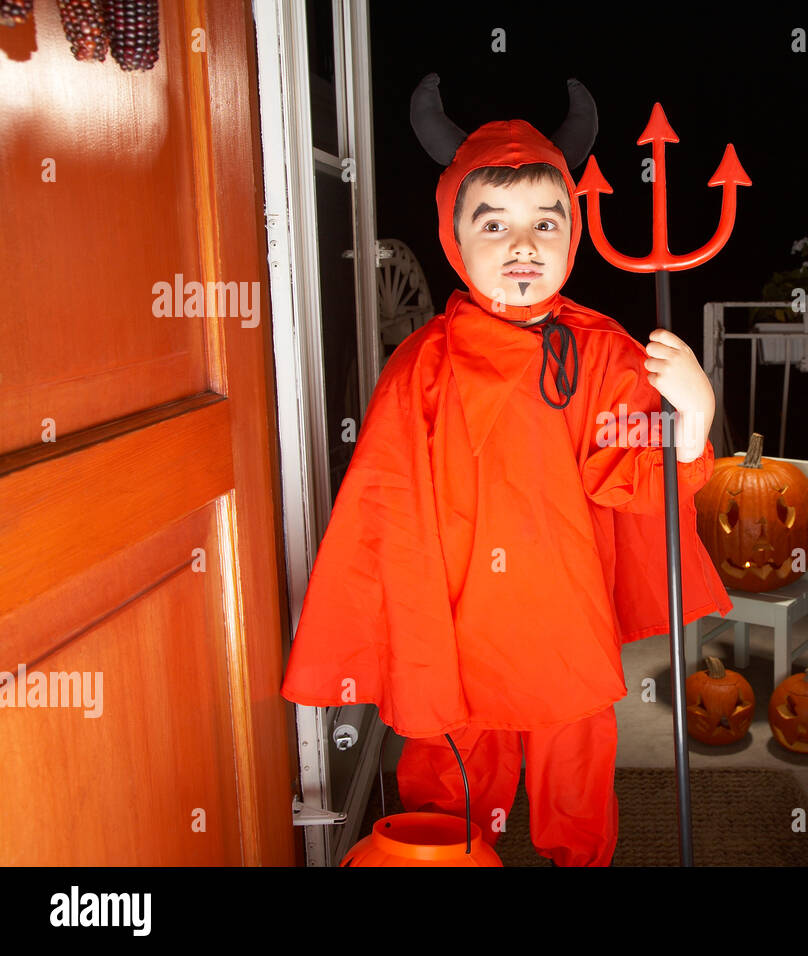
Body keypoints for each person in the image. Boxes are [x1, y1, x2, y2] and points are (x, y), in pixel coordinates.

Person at [279, 75, 732, 866]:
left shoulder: (601, 351)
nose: (523, 246)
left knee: (576, 778)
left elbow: (635, 476)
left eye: (545, 222)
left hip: (566, 616)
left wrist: (692, 417)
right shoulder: (421, 366)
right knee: (452, 786)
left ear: (572, 234)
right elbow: (386, 509)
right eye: (494, 224)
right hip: (459, 621)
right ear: (455, 237)